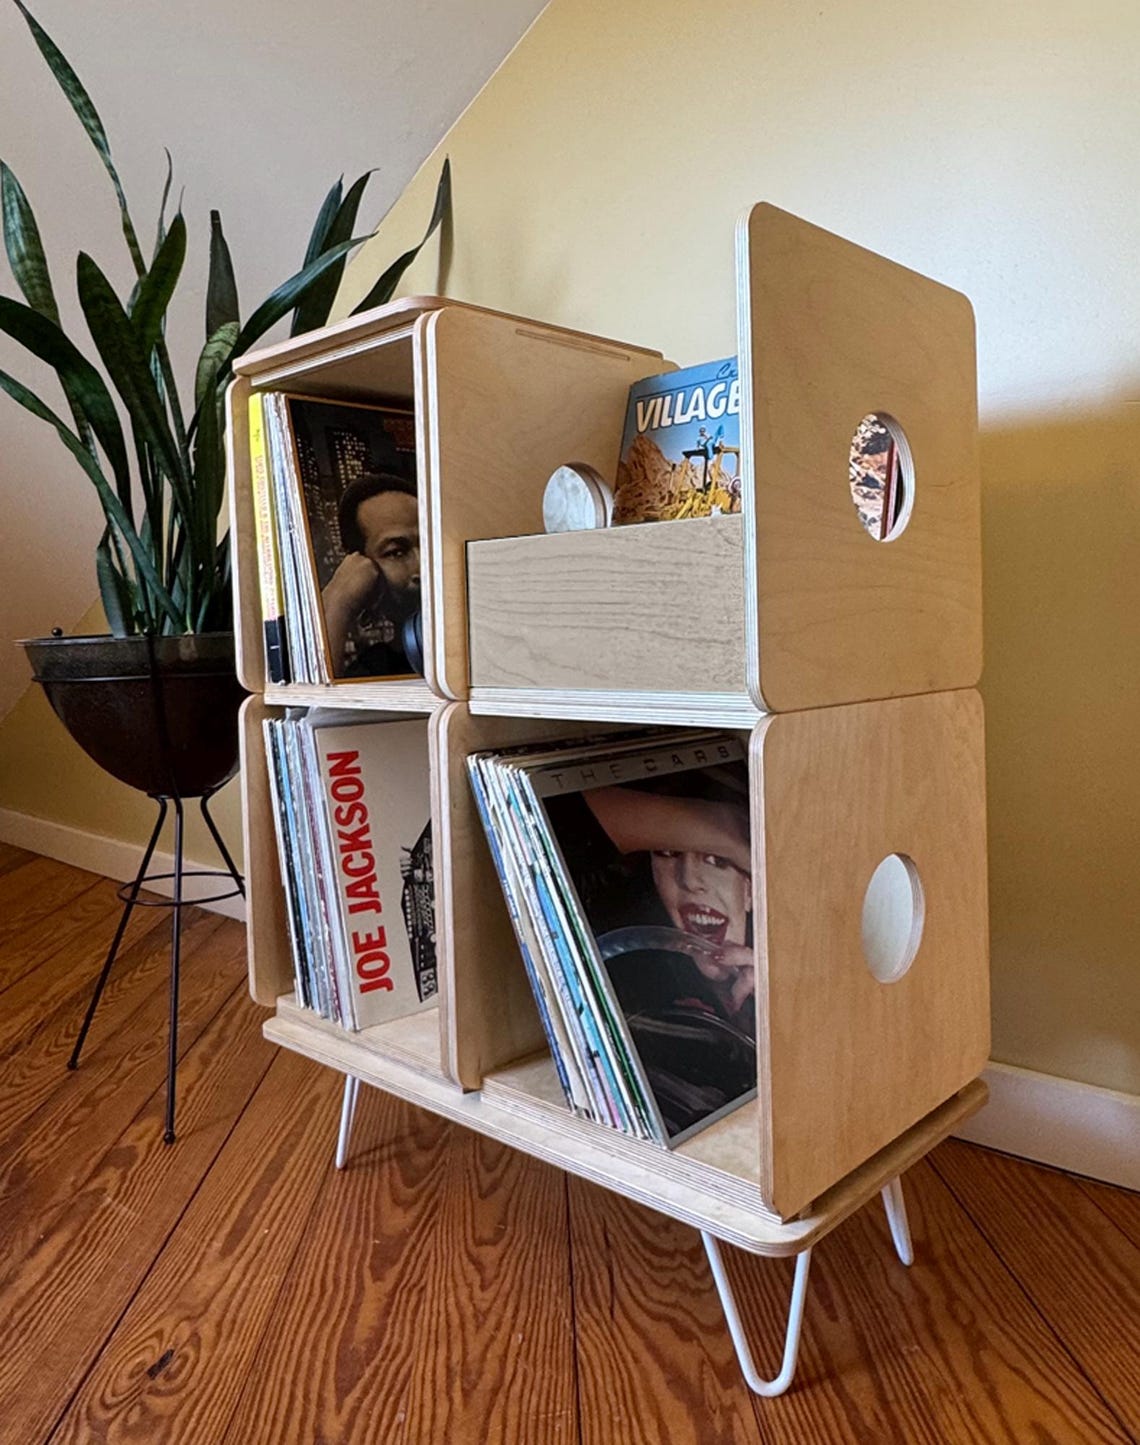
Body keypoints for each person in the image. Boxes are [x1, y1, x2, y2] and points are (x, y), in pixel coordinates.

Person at [320, 473, 420, 677]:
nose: (423, 565)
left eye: (431, 543)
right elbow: (306, 707)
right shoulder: (375, 671)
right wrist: (339, 601)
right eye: (396, 552)